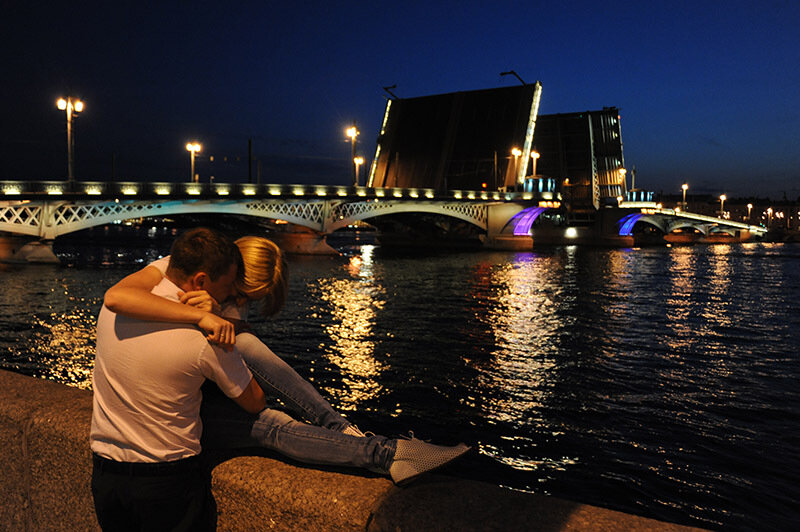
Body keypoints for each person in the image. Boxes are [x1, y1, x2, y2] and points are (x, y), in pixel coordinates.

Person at [101, 230, 470, 492]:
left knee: (255, 372)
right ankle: (378, 448)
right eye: (238, 292)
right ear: (212, 277)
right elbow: (116, 296)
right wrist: (204, 318)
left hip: (136, 443)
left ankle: (361, 440)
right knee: (270, 419)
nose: (238, 301)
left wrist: (212, 316)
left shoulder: (189, 285)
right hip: (173, 441)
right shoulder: (184, 300)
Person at [90, 227, 266, 531]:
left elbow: (124, 292)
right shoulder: (206, 337)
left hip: (107, 477)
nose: (227, 298)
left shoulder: (112, 312)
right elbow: (254, 401)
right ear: (200, 281)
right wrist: (223, 330)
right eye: (226, 289)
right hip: (167, 483)